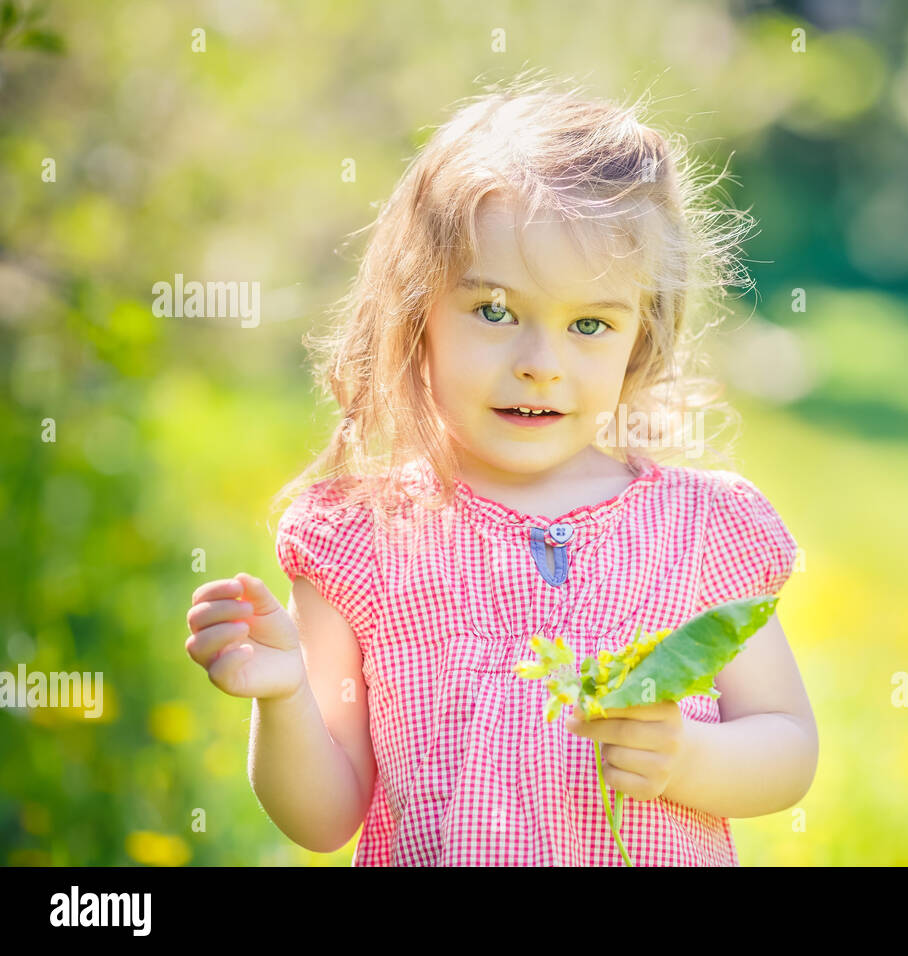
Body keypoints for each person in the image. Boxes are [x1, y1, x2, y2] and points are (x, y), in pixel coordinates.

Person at [185, 74, 817, 865]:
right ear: (417, 313)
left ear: (640, 341)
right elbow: (323, 820)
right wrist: (283, 697)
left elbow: (786, 746)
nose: (540, 365)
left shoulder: (702, 532)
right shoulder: (361, 540)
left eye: (589, 324)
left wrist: (689, 757)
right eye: (494, 311)